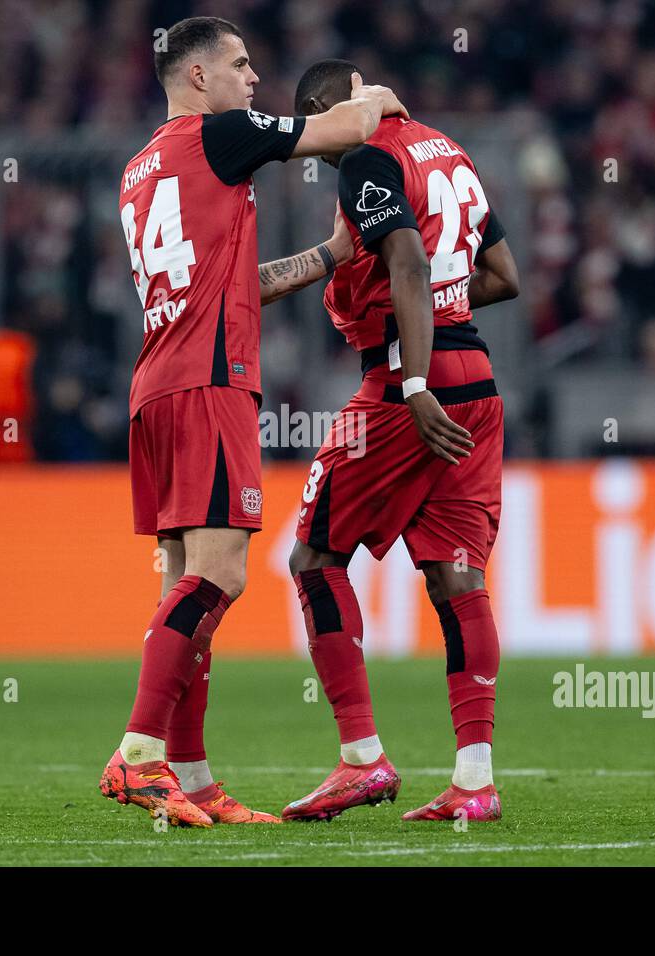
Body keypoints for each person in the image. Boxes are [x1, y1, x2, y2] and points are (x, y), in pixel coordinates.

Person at [99, 18, 408, 828]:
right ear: (197, 77)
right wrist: (379, 98)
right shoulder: (221, 136)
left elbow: (236, 283)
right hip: (209, 382)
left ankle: (193, 780)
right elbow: (347, 124)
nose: (253, 77)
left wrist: (331, 255)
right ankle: (137, 753)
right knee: (224, 575)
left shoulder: (138, 169)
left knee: (181, 583)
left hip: (157, 383)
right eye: (239, 65)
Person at [280, 60, 520, 823]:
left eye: (313, 130)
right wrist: (436, 307)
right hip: (477, 377)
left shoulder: (366, 159)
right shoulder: (451, 150)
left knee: (313, 556)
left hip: (404, 383)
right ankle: (475, 783)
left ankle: (362, 759)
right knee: (458, 578)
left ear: (328, 110)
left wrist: (412, 380)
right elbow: (504, 275)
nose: (313, 149)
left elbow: (411, 263)